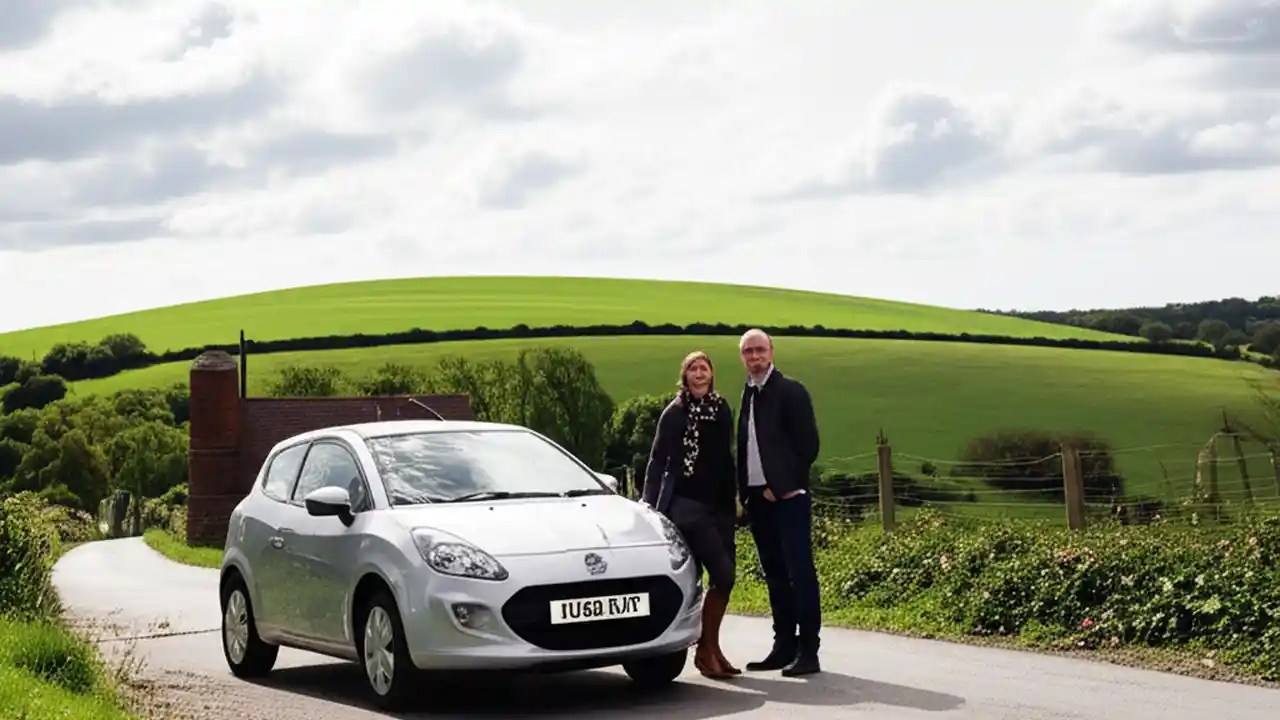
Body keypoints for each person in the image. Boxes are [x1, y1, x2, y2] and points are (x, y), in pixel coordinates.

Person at [641, 350, 740, 679]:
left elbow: (727, 456)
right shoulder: (675, 412)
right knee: (721, 573)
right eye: (693, 369)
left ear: (712, 375)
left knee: (726, 579)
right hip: (688, 506)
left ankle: (711, 649)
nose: (700, 373)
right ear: (685, 376)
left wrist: (736, 497)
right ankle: (703, 650)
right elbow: (657, 462)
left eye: (705, 368)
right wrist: (649, 508)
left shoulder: (721, 408)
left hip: (721, 504)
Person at [736, 328, 821, 676]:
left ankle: (808, 651)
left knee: (799, 573)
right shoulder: (748, 394)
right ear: (742, 358)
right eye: (747, 352)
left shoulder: (791, 391)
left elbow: (808, 447)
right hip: (758, 500)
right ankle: (783, 645)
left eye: (759, 350)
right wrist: (745, 494)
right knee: (774, 575)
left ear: (772, 352)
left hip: (788, 498)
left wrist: (781, 486)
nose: (754, 357)